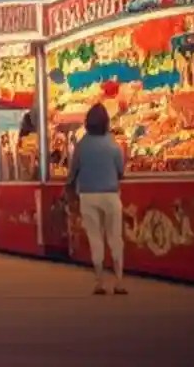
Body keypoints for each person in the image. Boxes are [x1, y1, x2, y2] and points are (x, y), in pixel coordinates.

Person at [68, 104, 127, 295]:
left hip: (88, 195)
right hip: (111, 195)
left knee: (96, 238)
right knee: (115, 238)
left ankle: (99, 281)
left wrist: (70, 186)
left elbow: (73, 171)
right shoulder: (113, 144)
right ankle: (119, 281)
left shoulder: (81, 146)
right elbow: (121, 171)